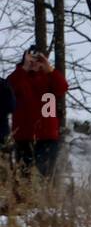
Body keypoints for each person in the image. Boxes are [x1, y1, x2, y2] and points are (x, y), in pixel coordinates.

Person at [8, 46, 68, 177]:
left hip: (47, 136)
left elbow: (62, 87)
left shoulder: (49, 77)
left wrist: (49, 69)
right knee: (24, 178)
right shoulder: (19, 76)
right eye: (31, 59)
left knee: (46, 177)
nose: (34, 62)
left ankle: (47, 197)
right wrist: (24, 67)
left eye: (38, 59)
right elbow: (8, 89)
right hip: (24, 136)